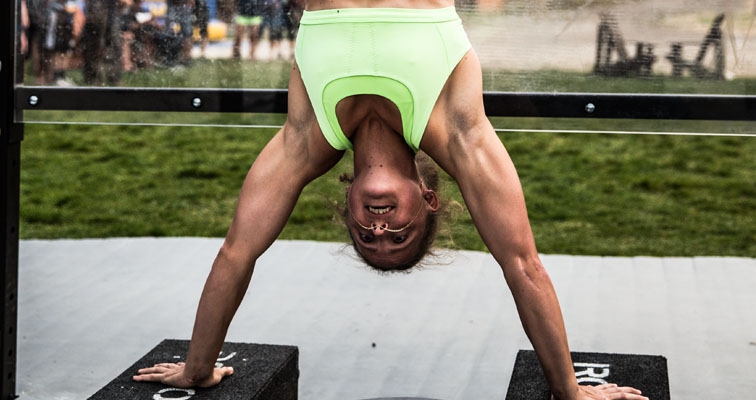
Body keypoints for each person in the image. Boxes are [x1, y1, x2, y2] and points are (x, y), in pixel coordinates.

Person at [133, 1, 648, 399]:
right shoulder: (457, 133)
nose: (379, 228)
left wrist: (197, 369)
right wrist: (570, 391)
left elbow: (236, 253)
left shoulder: (308, 137)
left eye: (366, 236)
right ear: (428, 199)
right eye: (398, 234)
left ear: (348, 206)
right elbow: (522, 263)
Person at [82, 0, 123, 85]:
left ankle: (113, 77)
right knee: (92, 48)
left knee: (113, 47)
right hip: (94, 12)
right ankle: (93, 78)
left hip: (110, 14)